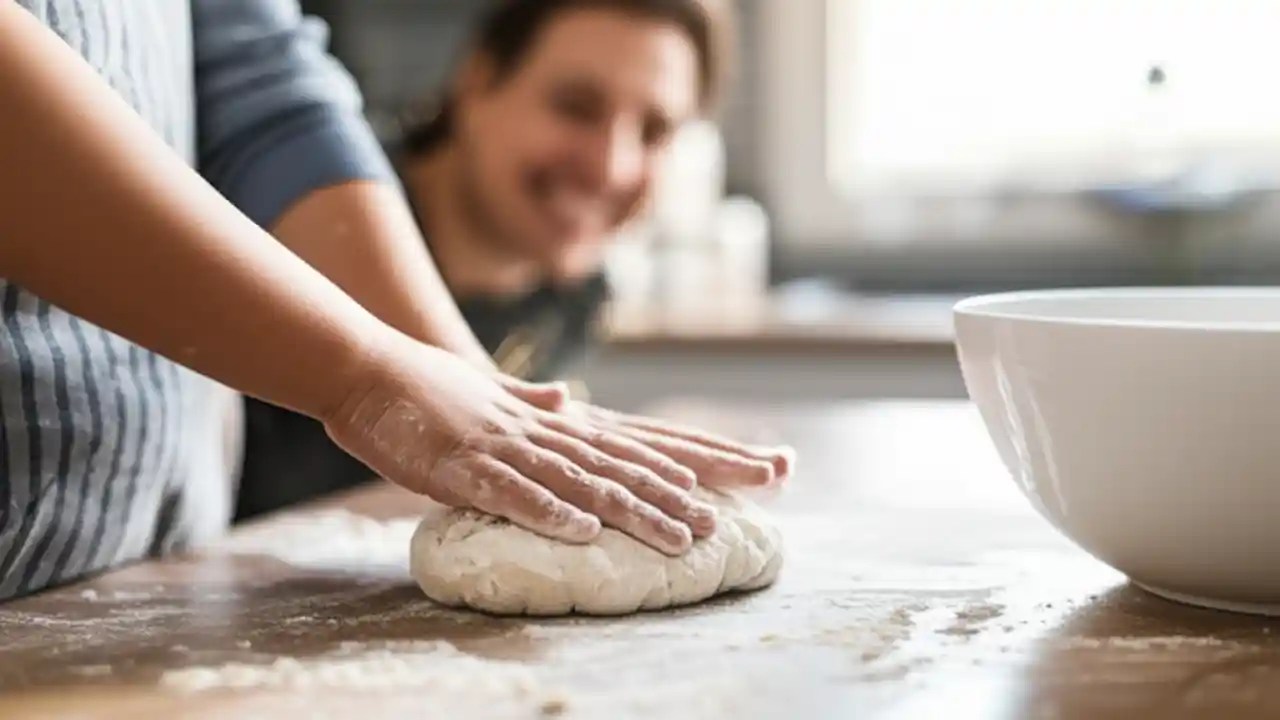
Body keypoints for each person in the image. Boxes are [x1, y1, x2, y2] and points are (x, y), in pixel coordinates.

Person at [235, 0, 742, 519]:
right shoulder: (301, 206)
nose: (610, 166)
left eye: (654, 131)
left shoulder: (572, 302)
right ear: (476, 82)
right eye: (575, 107)